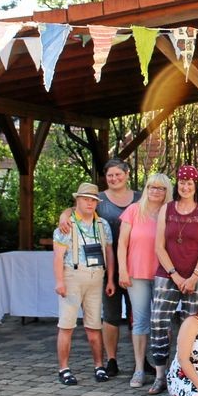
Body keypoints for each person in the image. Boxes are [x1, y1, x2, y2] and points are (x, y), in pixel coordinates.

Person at [58, 158, 140, 378]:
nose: (114, 178)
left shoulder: (140, 197)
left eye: (118, 174)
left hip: (135, 265)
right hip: (105, 268)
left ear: (127, 173)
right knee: (111, 315)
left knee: (137, 315)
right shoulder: (99, 198)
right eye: (110, 175)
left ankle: (141, 362)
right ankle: (111, 360)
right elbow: (74, 207)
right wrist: (64, 215)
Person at [149, 165, 198, 395]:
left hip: (197, 276)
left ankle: (185, 374)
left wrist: (194, 276)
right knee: (158, 321)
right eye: (182, 182)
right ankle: (160, 375)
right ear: (178, 185)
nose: (186, 186)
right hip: (168, 274)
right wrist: (175, 275)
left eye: (190, 183)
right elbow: (159, 246)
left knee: (190, 325)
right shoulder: (167, 209)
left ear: (196, 186)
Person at [52, 182, 115, 385]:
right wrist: (59, 282)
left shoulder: (102, 224)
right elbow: (58, 257)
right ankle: (64, 368)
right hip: (72, 276)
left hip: (96, 277)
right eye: (86, 199)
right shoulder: (67, 224)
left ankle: (99, 365)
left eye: (93, 200)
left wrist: (111, 278)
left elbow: (109, 253)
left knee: (94, 326)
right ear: (77, 200)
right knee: (67, 325)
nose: (90, 203)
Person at [117, 173, 172, 388]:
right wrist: (122, 270)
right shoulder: (133, 211)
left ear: (167, 191)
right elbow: (122, 244)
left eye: (160, 188)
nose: (155, 191)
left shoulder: (170, 213)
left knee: (162, 322)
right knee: (140, 322)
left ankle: (162, 369)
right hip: (136, 273)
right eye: (151, 187)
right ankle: (139, 368)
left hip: (163, 274)